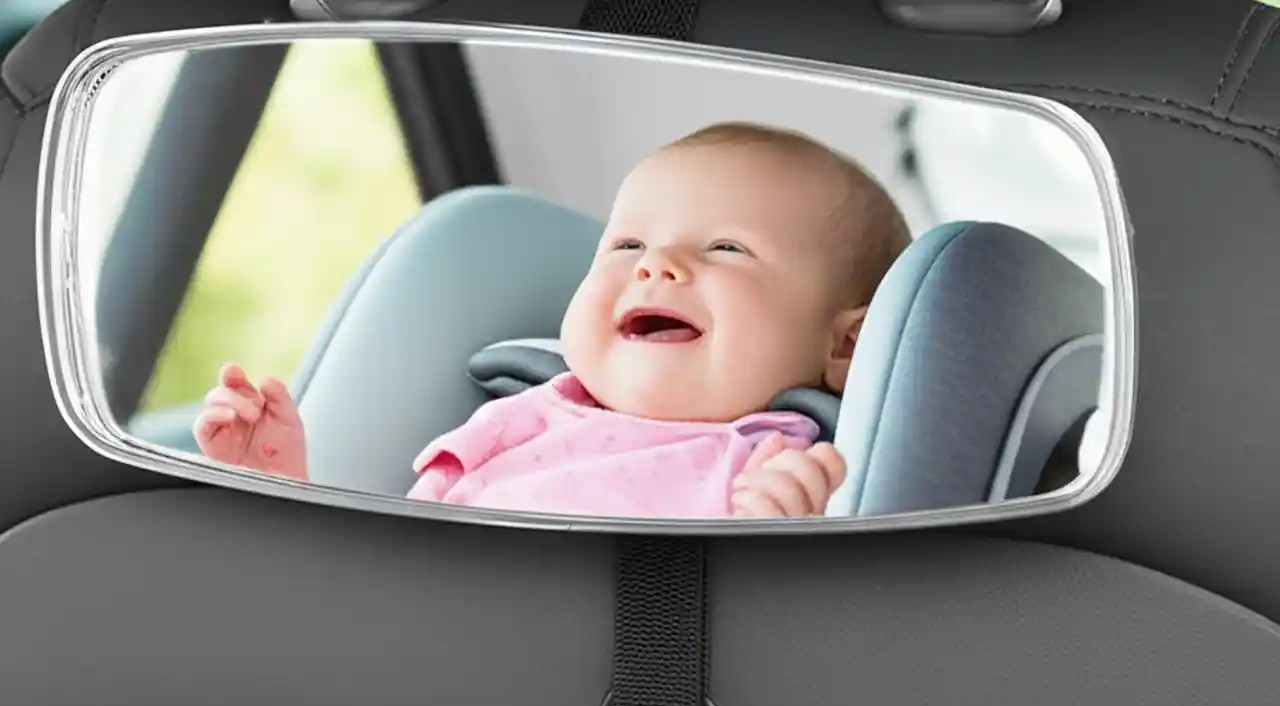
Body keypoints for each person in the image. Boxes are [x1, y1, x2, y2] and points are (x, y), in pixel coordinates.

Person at [194, 121, 912, 519]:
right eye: (627, 243)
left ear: (846, 342)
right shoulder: (514, 421)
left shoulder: (780, 467)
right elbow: (384, 574)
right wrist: (285, 488)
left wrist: (782, 543)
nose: (655, 266)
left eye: (726, 248)